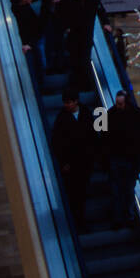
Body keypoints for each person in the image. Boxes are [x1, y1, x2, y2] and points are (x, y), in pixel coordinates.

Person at [105, 90, 140, 230]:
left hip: (131, 159)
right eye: (117, 103)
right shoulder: (110, 114)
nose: (118, 106)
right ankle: (120, 217)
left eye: (121, 104)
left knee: (127, 189)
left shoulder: (137, 115)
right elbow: (101, 136)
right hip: (118, 158)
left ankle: (127, 217)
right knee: (118, 189)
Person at [51, 88, 97, 227]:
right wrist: (64, 162)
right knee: (74, 193)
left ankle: (80, 219)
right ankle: (77, 221)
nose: (67, 105)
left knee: (81, 192)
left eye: (69, 102)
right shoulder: (62, 118)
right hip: (71, 163)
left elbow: (92, 135)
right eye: (65, 103)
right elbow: (57, 142)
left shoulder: (86, 113)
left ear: (76, 101)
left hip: (84, 160)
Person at [33, 0, 75, 74]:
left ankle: (60, 65)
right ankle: (50, 66)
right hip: (48, 15)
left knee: (60, 41)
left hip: (61, 16)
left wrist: (61, 0)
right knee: (49, 41)